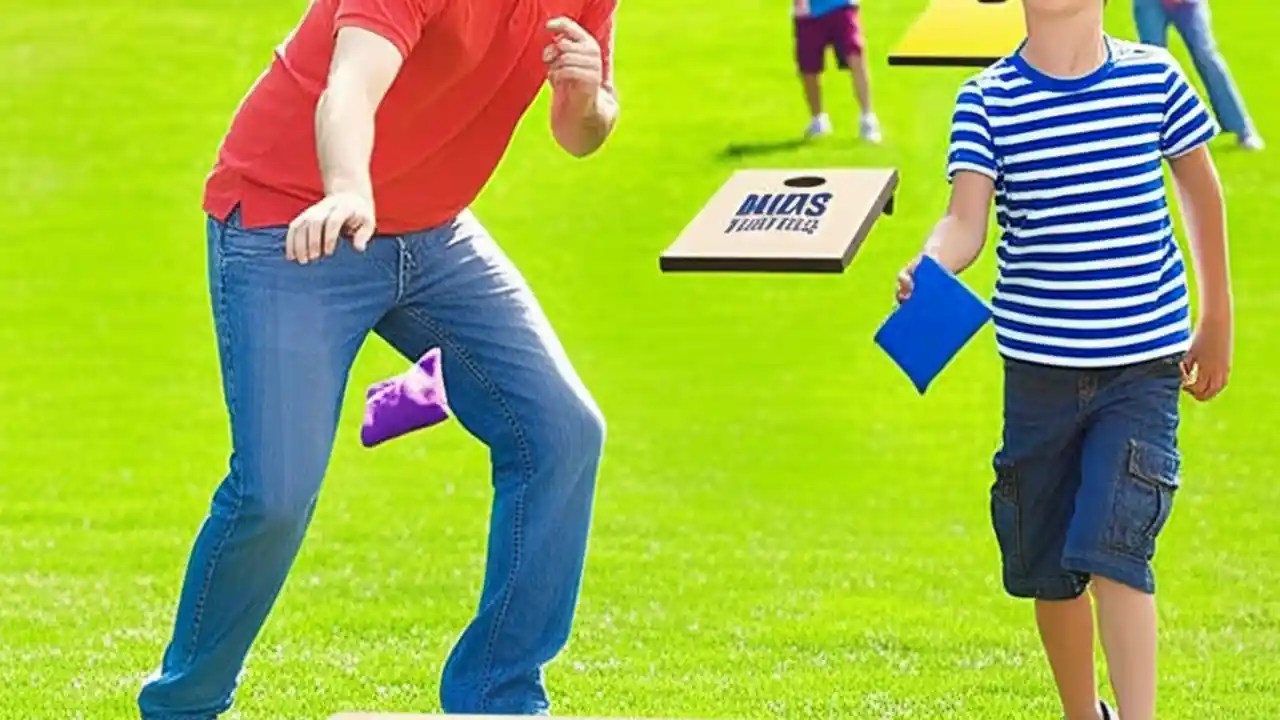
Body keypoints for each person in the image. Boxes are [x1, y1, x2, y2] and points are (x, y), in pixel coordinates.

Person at [137, 0, 618, 717]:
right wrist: (347, 192)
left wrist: (587, 97)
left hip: (432, 233)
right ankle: (185, 704)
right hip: (293, 220)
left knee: (563, 432)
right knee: (275, 491)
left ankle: (499, 698)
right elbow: (352, 86)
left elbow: (581, 134)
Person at [895, 1, 1233, 718]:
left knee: (1115, 550)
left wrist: (1217, 318)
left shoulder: (1156, 78)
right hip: (1039, 377)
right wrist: (930, 266)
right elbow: (965, 221)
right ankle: (1084, 713)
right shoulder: (986, 99)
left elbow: (1202, 189)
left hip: (1141, 369)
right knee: (1048, 569)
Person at [1132, 0, 1264, 150]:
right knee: (1153, 65)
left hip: (1189, 4)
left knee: (1206, 57)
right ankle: (1151, 135)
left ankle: (1242, 128)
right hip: (1150, 3)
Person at [793, 0, 881, 142]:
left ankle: (867, 119)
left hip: (841, 6)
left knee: (855, 55)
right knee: (808, 68)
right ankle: (818, 120)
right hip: (806, 12)